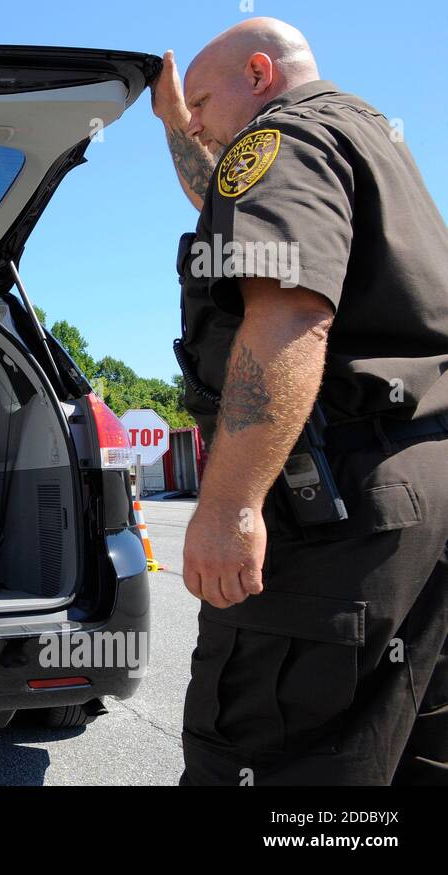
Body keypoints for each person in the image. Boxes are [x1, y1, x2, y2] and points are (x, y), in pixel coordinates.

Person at [152, 17, 448, 785]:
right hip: (422, 502)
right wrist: (171, 125)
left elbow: (289, 316)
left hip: (339, 511)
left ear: (258, 74)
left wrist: (232, 506)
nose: (201, 129)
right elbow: (214, 185)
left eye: (203, 105)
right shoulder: (367, 135)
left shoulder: (284, 139)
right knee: (391, 748)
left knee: (267, 753)